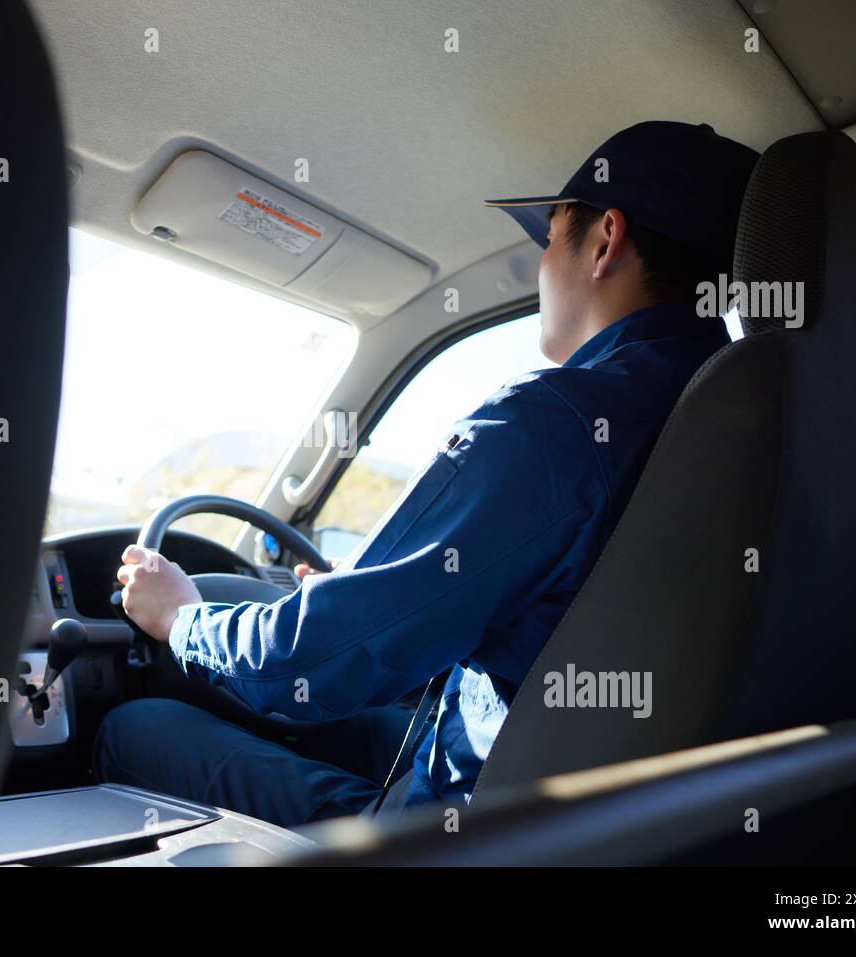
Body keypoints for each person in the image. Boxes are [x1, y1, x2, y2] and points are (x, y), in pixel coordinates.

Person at [96, 121, 760, 828]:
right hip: (584, 808)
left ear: (604, 241)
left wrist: (179, 616)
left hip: (468, 832)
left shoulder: (556, 423)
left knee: (137, 725)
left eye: (550, 236)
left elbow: (300, 666)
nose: (543, 266)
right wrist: (367, 602)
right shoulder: (747, 431)